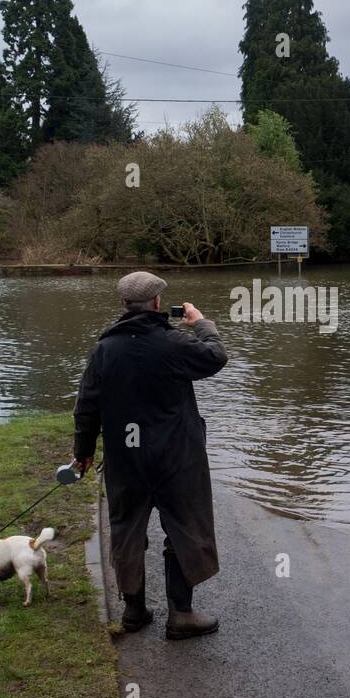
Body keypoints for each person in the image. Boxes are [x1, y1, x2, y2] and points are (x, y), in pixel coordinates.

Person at [72, 271, 228, 640]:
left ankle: (133, 611)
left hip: (126, 458)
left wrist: (83, 452)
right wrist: (202, 323)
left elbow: (86, 406)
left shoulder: (105, 350)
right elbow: (216, 356)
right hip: (176, 457)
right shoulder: (173, 343)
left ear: (124, 304)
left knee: (127, 530)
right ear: (158, 303)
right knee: (184, 527)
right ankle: (181, 615)